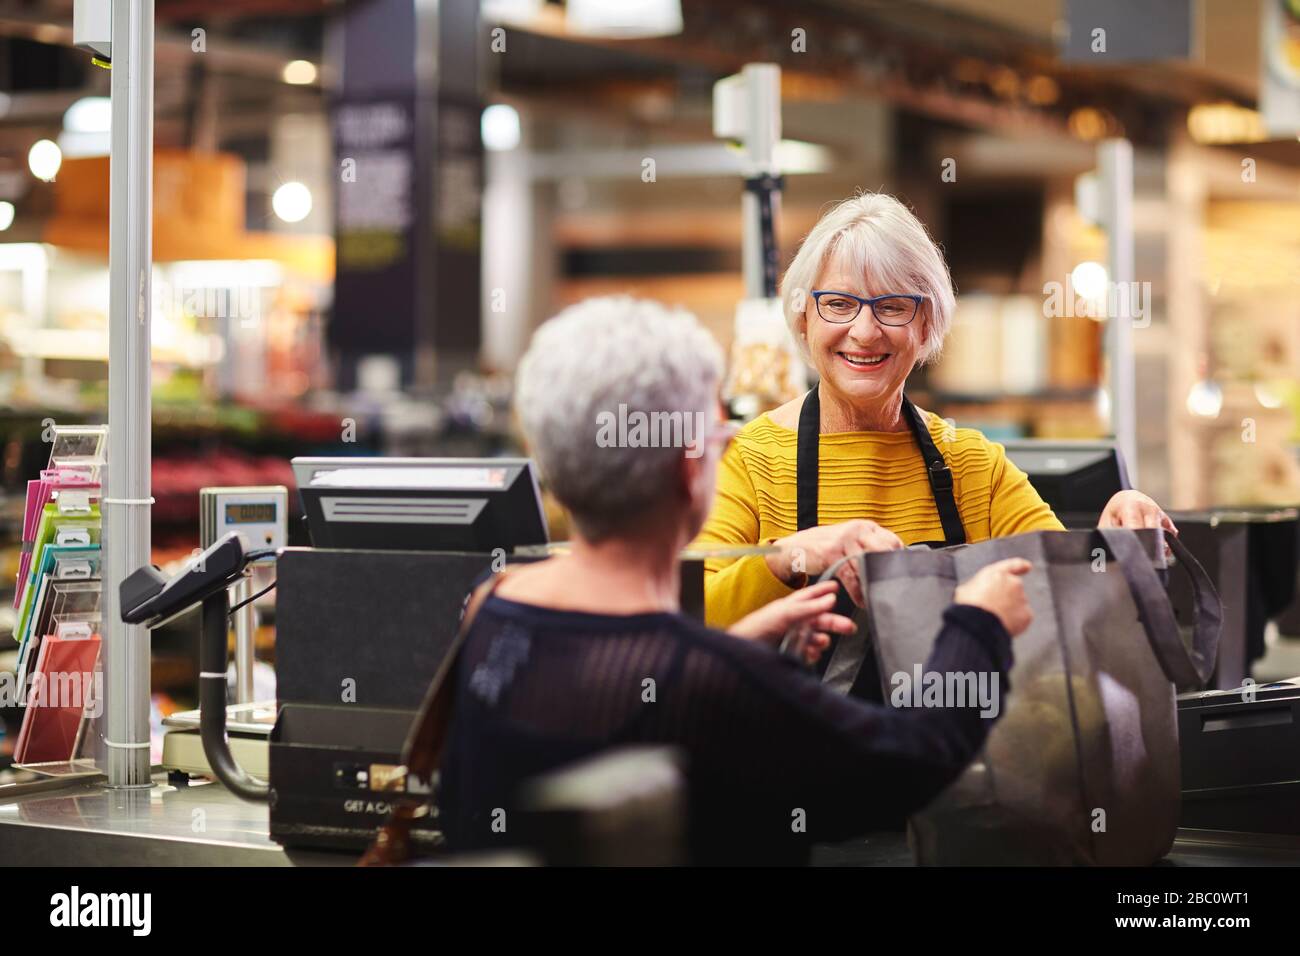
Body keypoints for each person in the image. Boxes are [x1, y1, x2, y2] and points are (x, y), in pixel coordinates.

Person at [437, 296, 1033, 865]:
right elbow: (912, 759)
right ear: (690, 469)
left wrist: (738, 641)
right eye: (719, 434)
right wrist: (977, 624)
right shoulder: (719, 687)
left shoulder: (493, 610)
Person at [694, 191, 1178, 628]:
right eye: (839, 304)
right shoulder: (749, 459)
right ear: (803, 319)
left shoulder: (972, 466)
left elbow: (1071, 605)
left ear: (927, 324)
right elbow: (691, 615)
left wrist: (1115, 539)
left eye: (892, 306)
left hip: (945, 725)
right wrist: (787, 559)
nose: (864, 332)